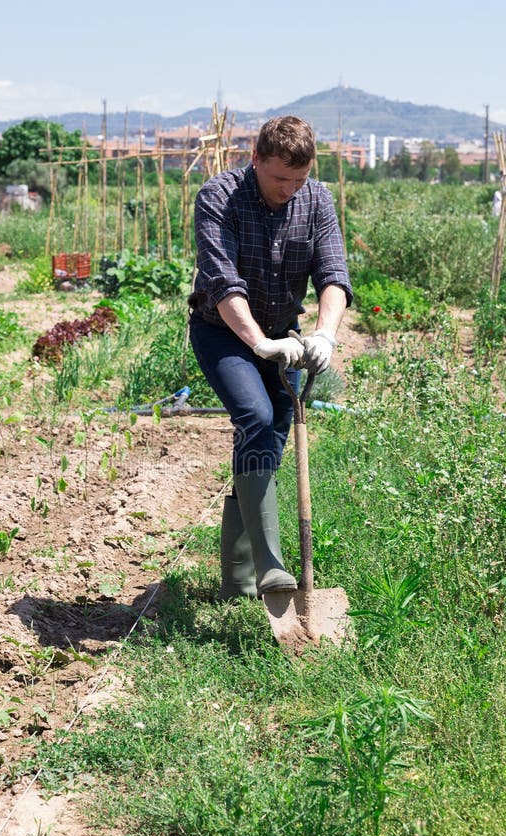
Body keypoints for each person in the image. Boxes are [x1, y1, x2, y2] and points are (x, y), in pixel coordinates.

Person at [188, 115, 352, 600]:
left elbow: (333, 275)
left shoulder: (317, 199)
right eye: (280, 178)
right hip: (223, 333)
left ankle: (235, 580)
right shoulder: (219, 197)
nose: (289, 189)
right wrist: (258, 342)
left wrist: (324, 335)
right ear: (255, 158)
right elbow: (222, 282)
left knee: (271, 439)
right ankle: (271, 568)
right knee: (255, 417)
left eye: (298, 179)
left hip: (285, 336)